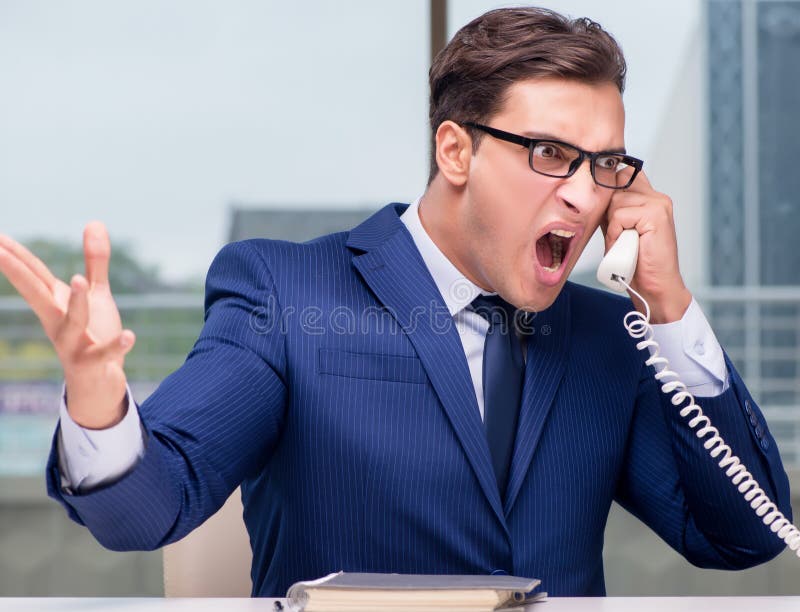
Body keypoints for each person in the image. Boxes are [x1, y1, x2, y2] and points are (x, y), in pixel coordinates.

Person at [0, 6, 792, 598]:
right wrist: (98, 399)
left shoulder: (612, 335)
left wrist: (670, 307)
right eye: (552, 154)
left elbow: (744, 538)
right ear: (456, 151)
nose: (586, 197)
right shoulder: (286, 294)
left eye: (607, 164)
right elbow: (146, 511)